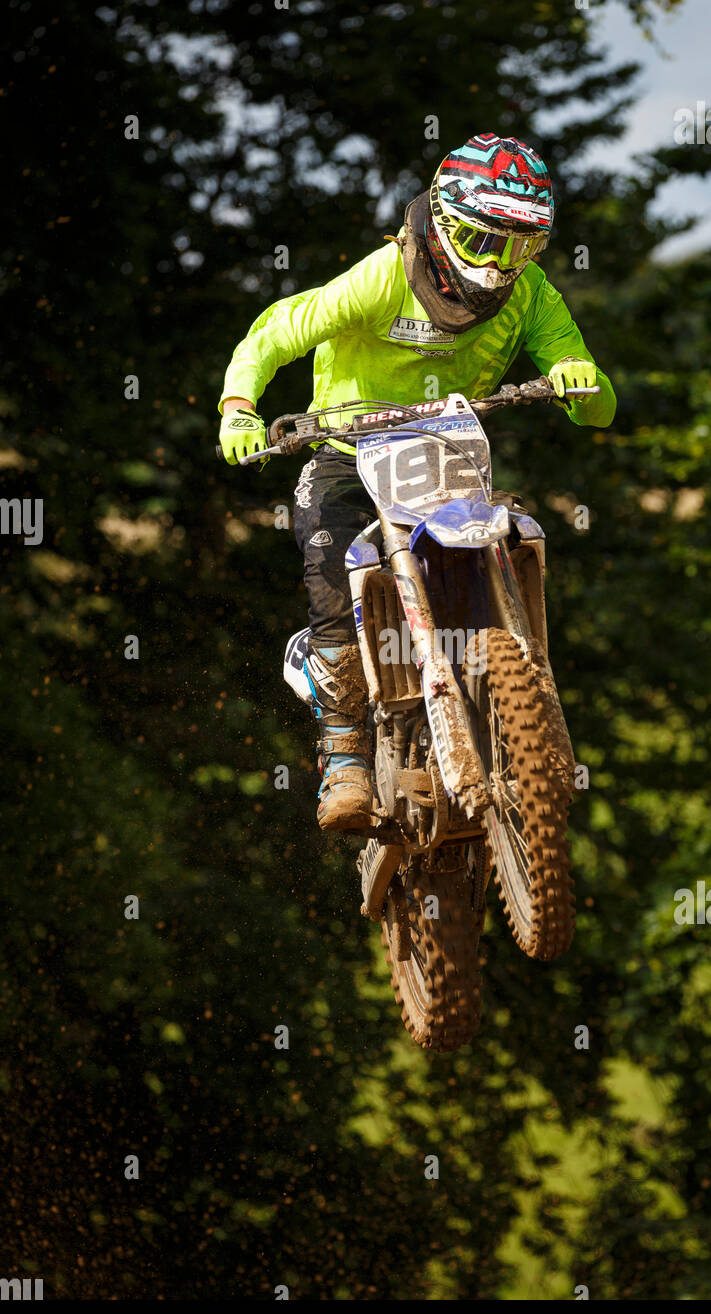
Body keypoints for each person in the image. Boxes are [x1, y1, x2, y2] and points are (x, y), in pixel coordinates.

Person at [218, 132, 616, 832]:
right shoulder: (384, 274)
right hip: (345, 447)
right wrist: (239, 407)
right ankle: (343, 755)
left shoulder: (530, 296)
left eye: (522, 247)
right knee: (329, 563)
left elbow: (596, 405)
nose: (502, 265)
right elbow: (281, 329)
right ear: (446, 225)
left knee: (512, 533)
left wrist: (581, 381)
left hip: (446, 449)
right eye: (488, 242)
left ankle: (525, 698)